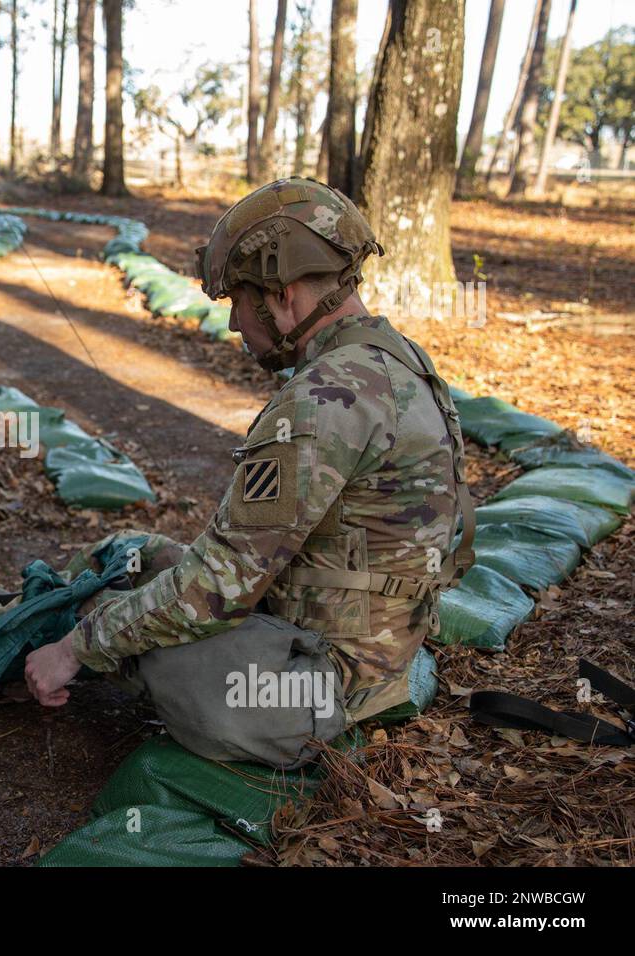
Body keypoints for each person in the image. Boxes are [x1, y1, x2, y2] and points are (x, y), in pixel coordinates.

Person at [24, 178, 475, 769]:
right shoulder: (397, 359)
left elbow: (217, 587)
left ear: (283, 295)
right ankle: (51, 627)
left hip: (327, 681)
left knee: (148, 641)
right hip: (357, 638)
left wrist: (80, 646)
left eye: (237, 301)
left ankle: (39, 644)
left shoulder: (324, 400)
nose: (236, 324)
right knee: (132, 557)